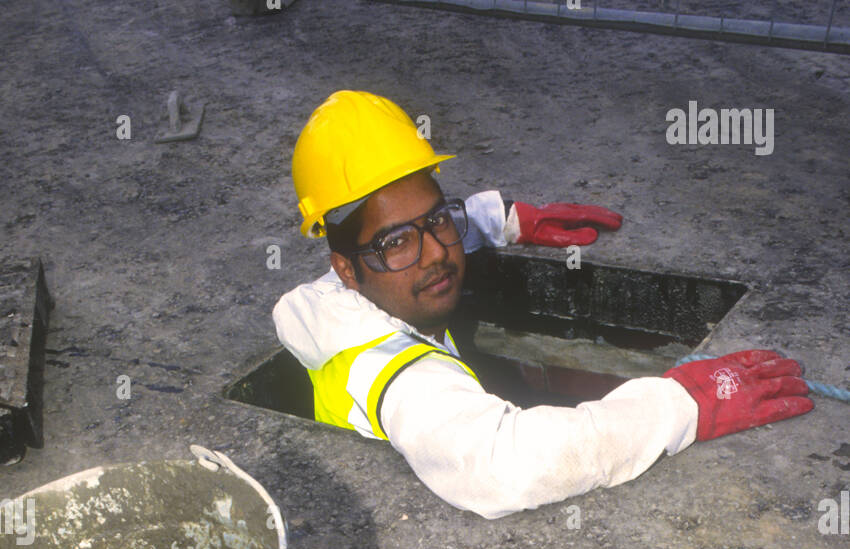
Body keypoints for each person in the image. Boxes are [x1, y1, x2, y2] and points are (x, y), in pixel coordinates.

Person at [272, 90, 812, 521]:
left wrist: (498, 218)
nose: (437, 252)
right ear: (347, 267)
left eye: (438, 219)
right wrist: (679, 405)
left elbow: (415, 237)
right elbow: (507, 465)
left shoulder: (340, 303)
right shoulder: (399, 377)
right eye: (397, 242)